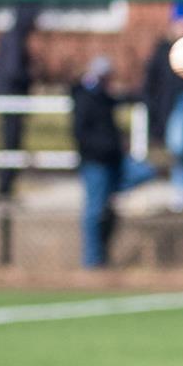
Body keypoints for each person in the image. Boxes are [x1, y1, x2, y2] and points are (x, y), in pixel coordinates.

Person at [70, 57, 155, 269]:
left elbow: (123, 98)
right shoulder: (84, 97)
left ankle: (110, 193)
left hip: (114, 160)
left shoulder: (103, 95)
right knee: (94, 211)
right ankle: (92, 261)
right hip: (96, 161)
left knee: (145, 171)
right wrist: (102, 148)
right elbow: (80, 133)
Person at [142, 2, 183, 210]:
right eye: (179, 23)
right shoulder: (163, 50)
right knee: (179, 147)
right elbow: (152, 83)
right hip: (174, 107)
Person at [0, 4, 40, 203]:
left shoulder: (13, 36)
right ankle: (4, 189)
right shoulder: (15, 38)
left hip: (10, 98)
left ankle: (5, 187)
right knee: (10, 143)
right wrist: (29, 78)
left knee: (10, 143)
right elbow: (13, 72)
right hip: (11, 100)